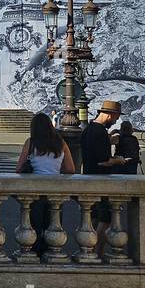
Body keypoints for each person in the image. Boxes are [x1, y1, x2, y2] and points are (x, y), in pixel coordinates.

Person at [16, 112, 76, 252]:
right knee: (53, 226)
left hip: (35, 191)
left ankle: (35, 253)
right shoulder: (61, 143)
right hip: (55, 191)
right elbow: (71, 169)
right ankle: (51, 254)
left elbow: (18, 168)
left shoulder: (31, 143)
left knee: (34, 227)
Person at [79, 99, 127, 253]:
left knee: (91, 217)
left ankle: (87, 247)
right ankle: (96, 249)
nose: (115, 121)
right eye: (116, 117)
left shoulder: (88, 129)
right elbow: (103, 162)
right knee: (105, 218)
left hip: (87, 177)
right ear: (109, 115)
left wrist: (109, 141)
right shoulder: (100, 132)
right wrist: (119, 161)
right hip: (100, 180)